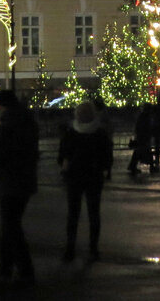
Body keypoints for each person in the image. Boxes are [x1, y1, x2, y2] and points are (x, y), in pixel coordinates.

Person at [0, 90, 39, 286]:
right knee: (10, 225)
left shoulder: (7, 126)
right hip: (25, 179)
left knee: (11, 226)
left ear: (2, 106)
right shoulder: (28, 122)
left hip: (10, 181)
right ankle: (5, 266)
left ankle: (25, 269)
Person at [57, 100, 114, 262]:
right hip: (94, 176)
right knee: (93, 213)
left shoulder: (71, 133)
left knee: (73, 214)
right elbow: (107, 157)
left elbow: (62, 155)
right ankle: (93, 248)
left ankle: (70, 248)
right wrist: (101, 168)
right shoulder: (100, 134)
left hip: (74, 176)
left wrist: (66, 165)